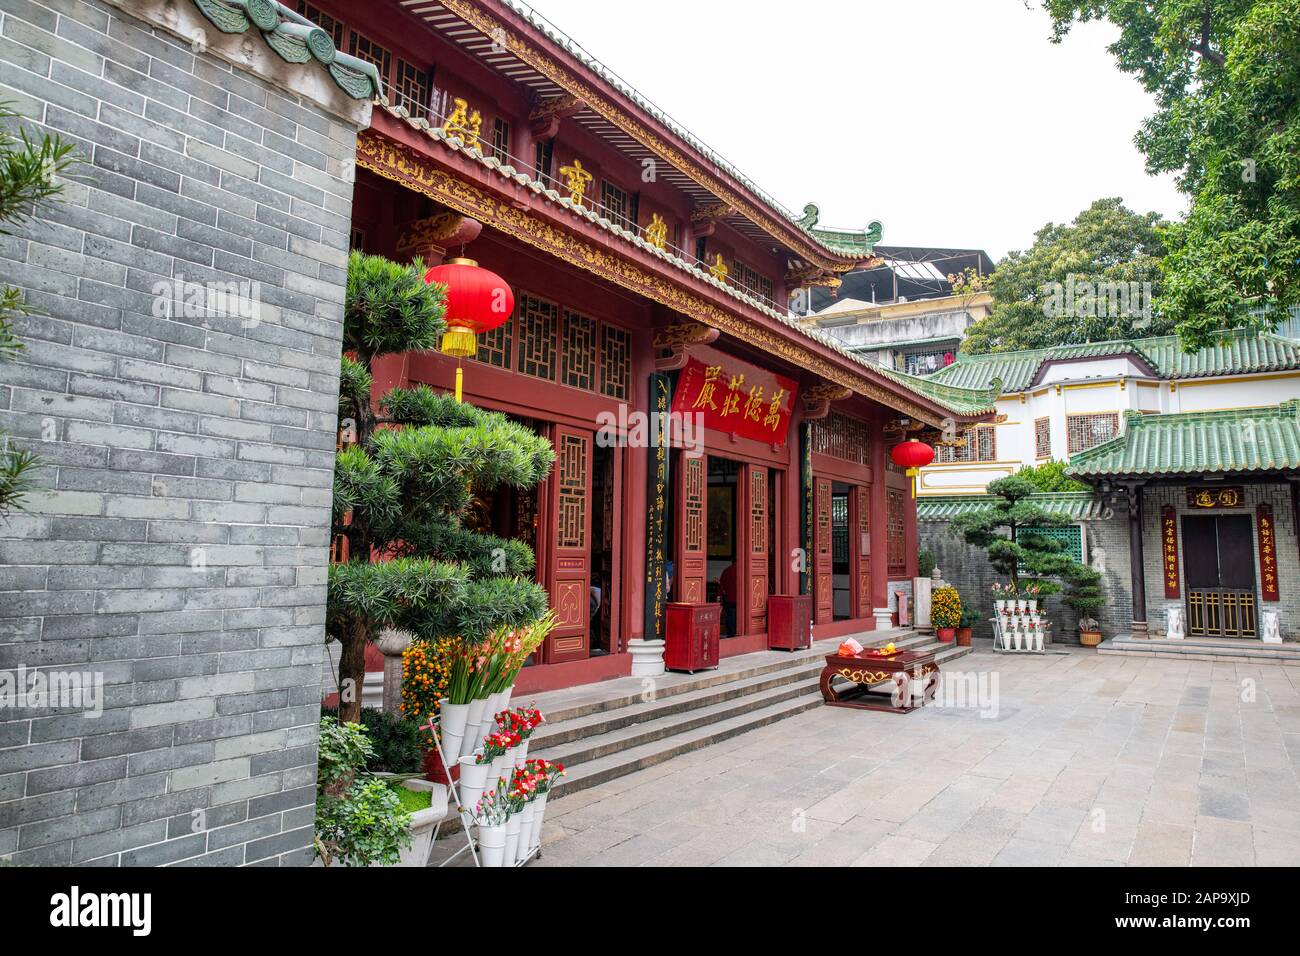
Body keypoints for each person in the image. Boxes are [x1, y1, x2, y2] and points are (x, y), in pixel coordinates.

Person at [718, 562, 737, 636]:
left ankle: (731, 633)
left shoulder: (726, 570)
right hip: (742, 599)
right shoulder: (744, 570)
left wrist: (719, 596)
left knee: (730, 616)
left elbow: (721, 585)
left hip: (729, 598)